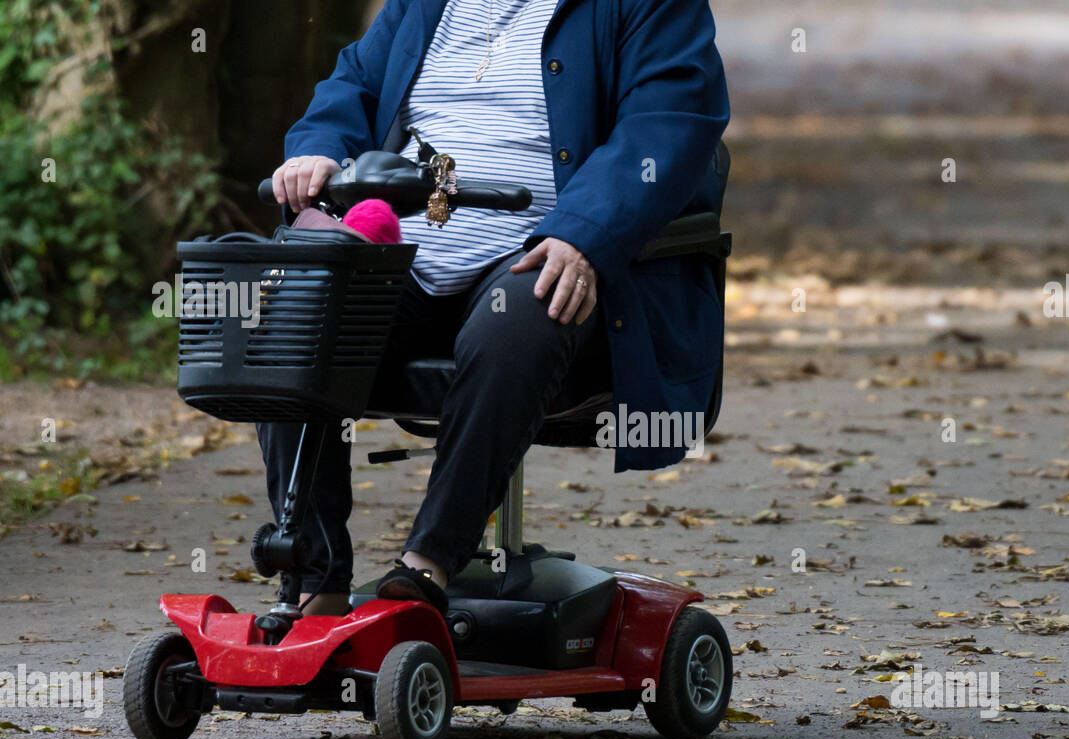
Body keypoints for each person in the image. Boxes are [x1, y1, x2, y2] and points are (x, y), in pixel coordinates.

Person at [259, 0, 729, 615]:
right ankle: (318, 584)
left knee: (528, 304)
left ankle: (426, 568)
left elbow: (668, 125)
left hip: (543, 252)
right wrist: (322, 148)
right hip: (404, 255)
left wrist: (584, 234)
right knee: (292, 306)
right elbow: (353, 85)